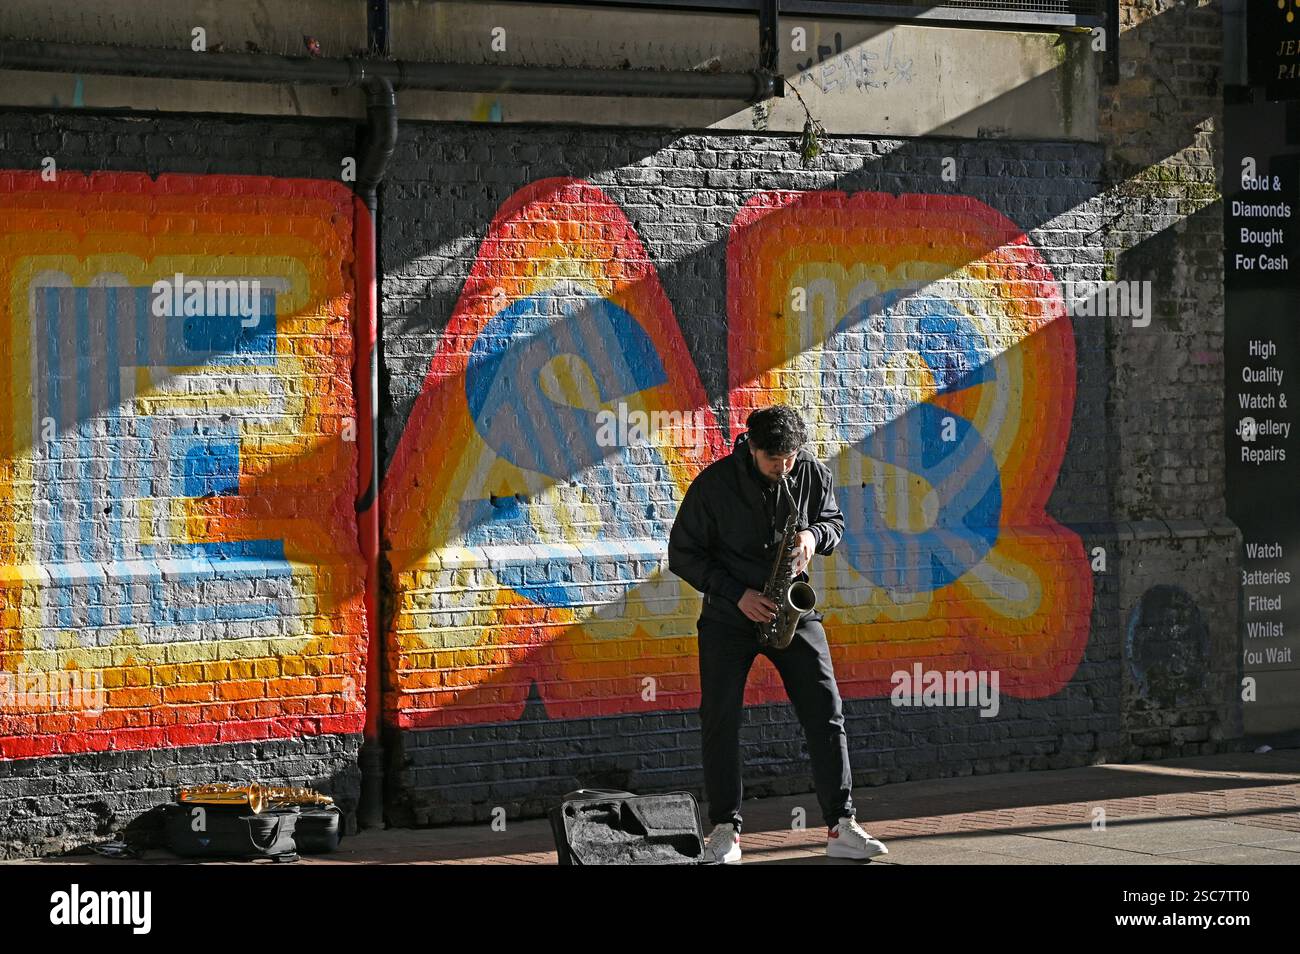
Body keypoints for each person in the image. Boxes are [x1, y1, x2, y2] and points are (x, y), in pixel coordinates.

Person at [668, 404, 888, 864]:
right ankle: (726, 830)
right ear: (750, 446)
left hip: (793, 607)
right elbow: (683, 555)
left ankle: (841, 825)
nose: (784, 469)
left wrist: (814, 537)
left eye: (791, 459)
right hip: (731, 616)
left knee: (827, 713)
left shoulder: (809, 471)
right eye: (774, 461)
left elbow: (834, 523)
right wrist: (736, 594)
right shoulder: (713, 486)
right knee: (721, 720)